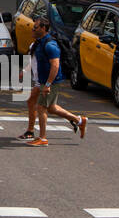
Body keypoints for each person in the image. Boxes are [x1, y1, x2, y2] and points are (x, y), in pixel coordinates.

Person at [22, 15, 86, 145]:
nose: (32, 29)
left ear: (44, 28)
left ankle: (42, 138)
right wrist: (26, 71)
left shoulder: (50, 45)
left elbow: (55, 65)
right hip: (43, 81)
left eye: (35, 27)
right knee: (51, 108)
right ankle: (79, 120)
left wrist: (48, 84)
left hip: (49, 82)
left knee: (41, 107)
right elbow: (35, 61)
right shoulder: (39, 43)